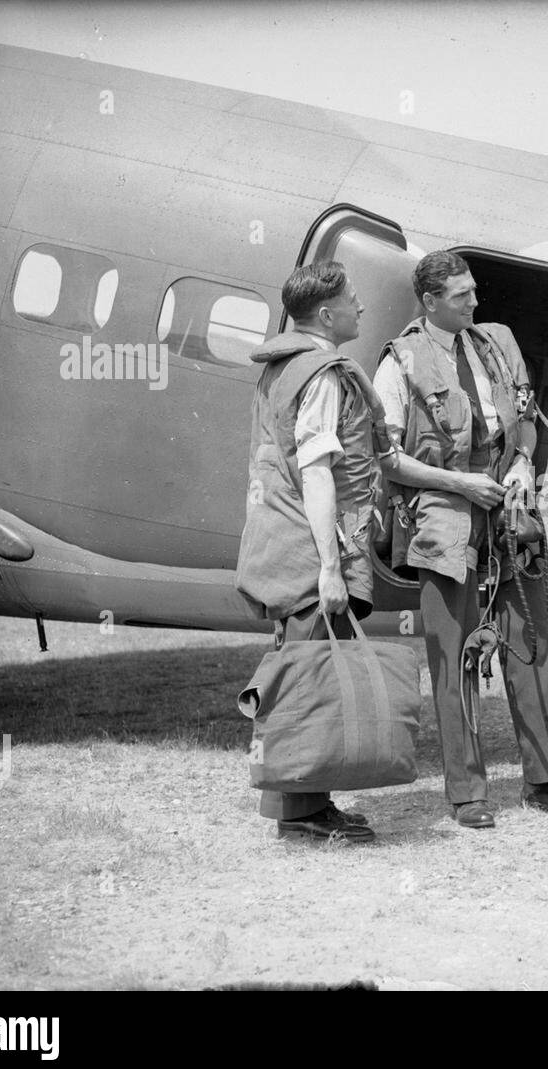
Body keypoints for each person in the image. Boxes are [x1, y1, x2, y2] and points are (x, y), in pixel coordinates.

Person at [373, 250, 548, 828]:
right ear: (429, 301)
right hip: (446, 514)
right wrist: (459, 482)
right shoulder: (398, 363)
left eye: (474, 290)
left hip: (510, 507)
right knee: (454, 657)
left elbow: (524, 410)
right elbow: (387, 458)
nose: (475, 301)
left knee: (531, 646)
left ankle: (546, 781)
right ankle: (467, 793)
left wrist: (522, 460)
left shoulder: (496, 341)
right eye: (461, 295)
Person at [235, 260, 384, 844]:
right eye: (353, 299)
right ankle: (301, 815)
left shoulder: (282, 367)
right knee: (308, 677)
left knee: (303, 669)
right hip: (310, 544)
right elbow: (319, 472)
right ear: (327, 314)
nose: (361, 308)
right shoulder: (323, 373)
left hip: (278, 533)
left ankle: (303, 805)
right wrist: (329, 566)